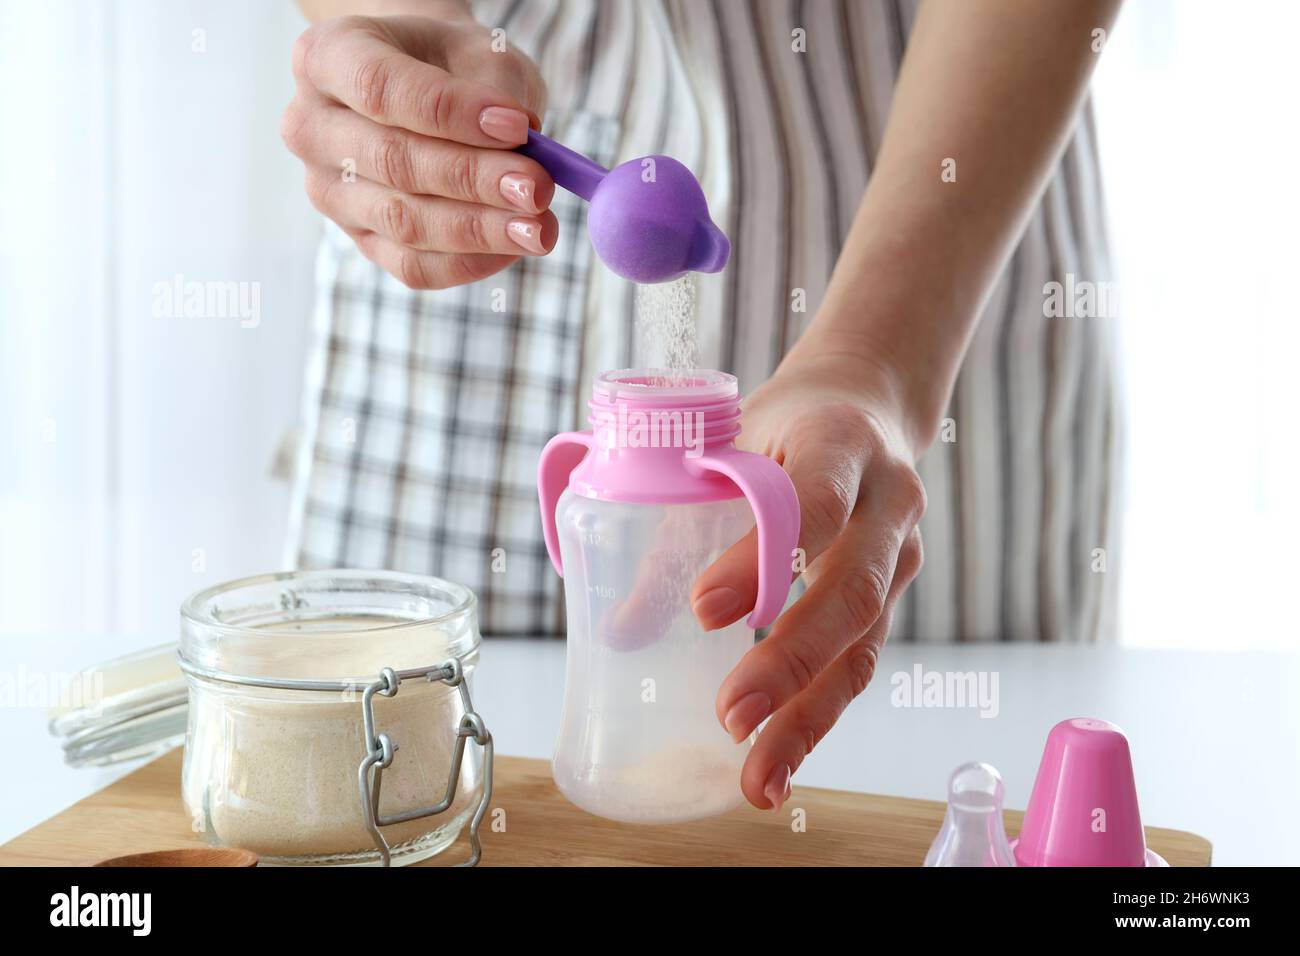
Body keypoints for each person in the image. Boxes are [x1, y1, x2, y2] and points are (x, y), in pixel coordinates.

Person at [281, 0, 1123, 812]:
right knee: (387, 765)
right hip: (462, 295)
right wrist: (414, 87)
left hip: (936, 201)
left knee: (912, 764)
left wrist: (874, 364)